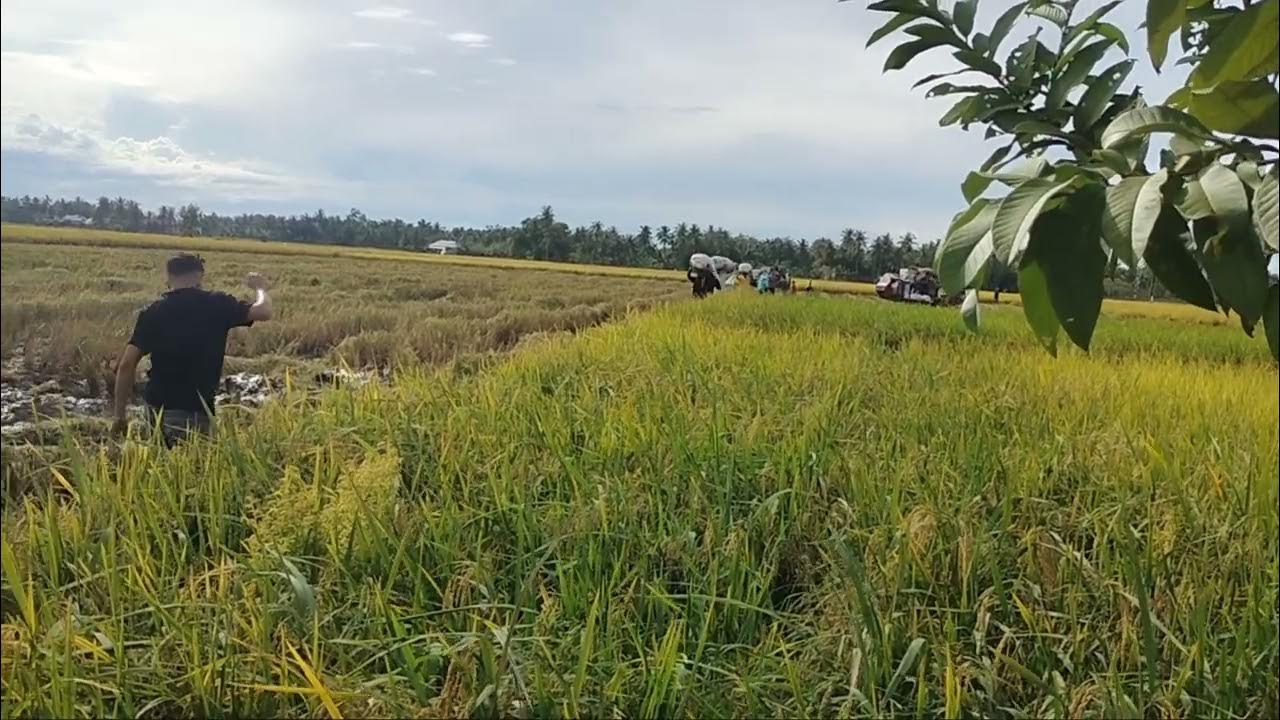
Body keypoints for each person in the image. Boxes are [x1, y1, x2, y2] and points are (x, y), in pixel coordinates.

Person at [112, 253, 274, 446]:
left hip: (154, 411)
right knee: (194, 472)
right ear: (199, 276)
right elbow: (264, 312)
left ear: (169, 277)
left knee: (156, 471)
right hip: (195, 413)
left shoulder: (152, 312)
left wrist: (119, 417)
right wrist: (260, 288)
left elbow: (126, 365)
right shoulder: (217, 303)